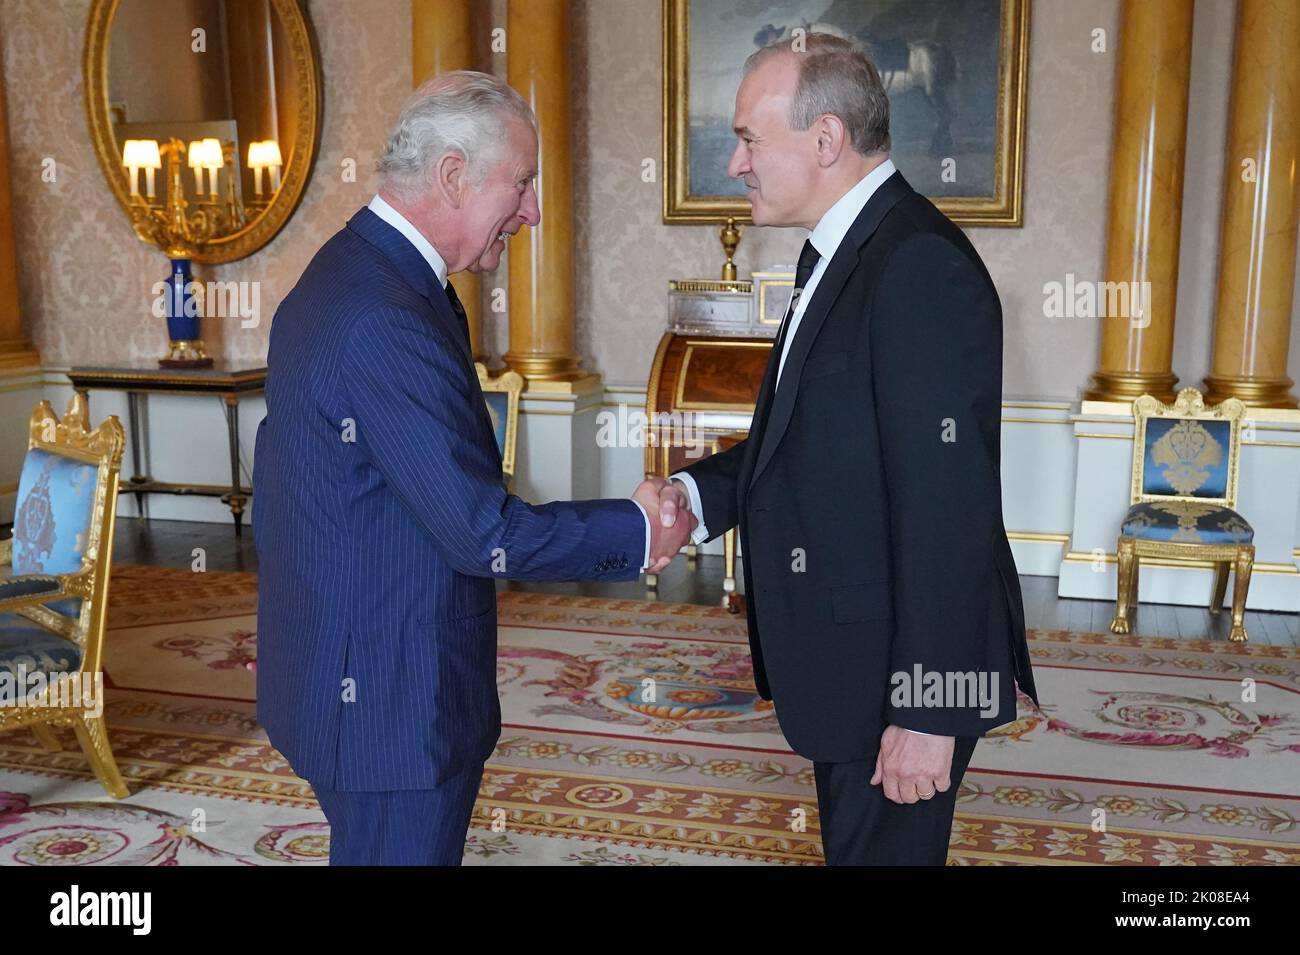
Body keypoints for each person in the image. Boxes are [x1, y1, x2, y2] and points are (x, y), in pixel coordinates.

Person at [252, 71, 694, 866]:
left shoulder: (357, 273)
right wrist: (635, 529)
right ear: (454, 174)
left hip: (347, 674)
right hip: (390, 706)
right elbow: (479, 529)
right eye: (521, 183)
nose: (531, 211)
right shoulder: (385, 313)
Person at [650, 34, 1038, 865]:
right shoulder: (842, 252)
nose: (734, 164)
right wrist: (698, 495)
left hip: (902, 673)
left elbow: (949, 506)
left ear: (825, 141)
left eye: (749, 139)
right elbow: (812, 441)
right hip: (855, 662)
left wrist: (930, 710)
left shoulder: (917, 265)